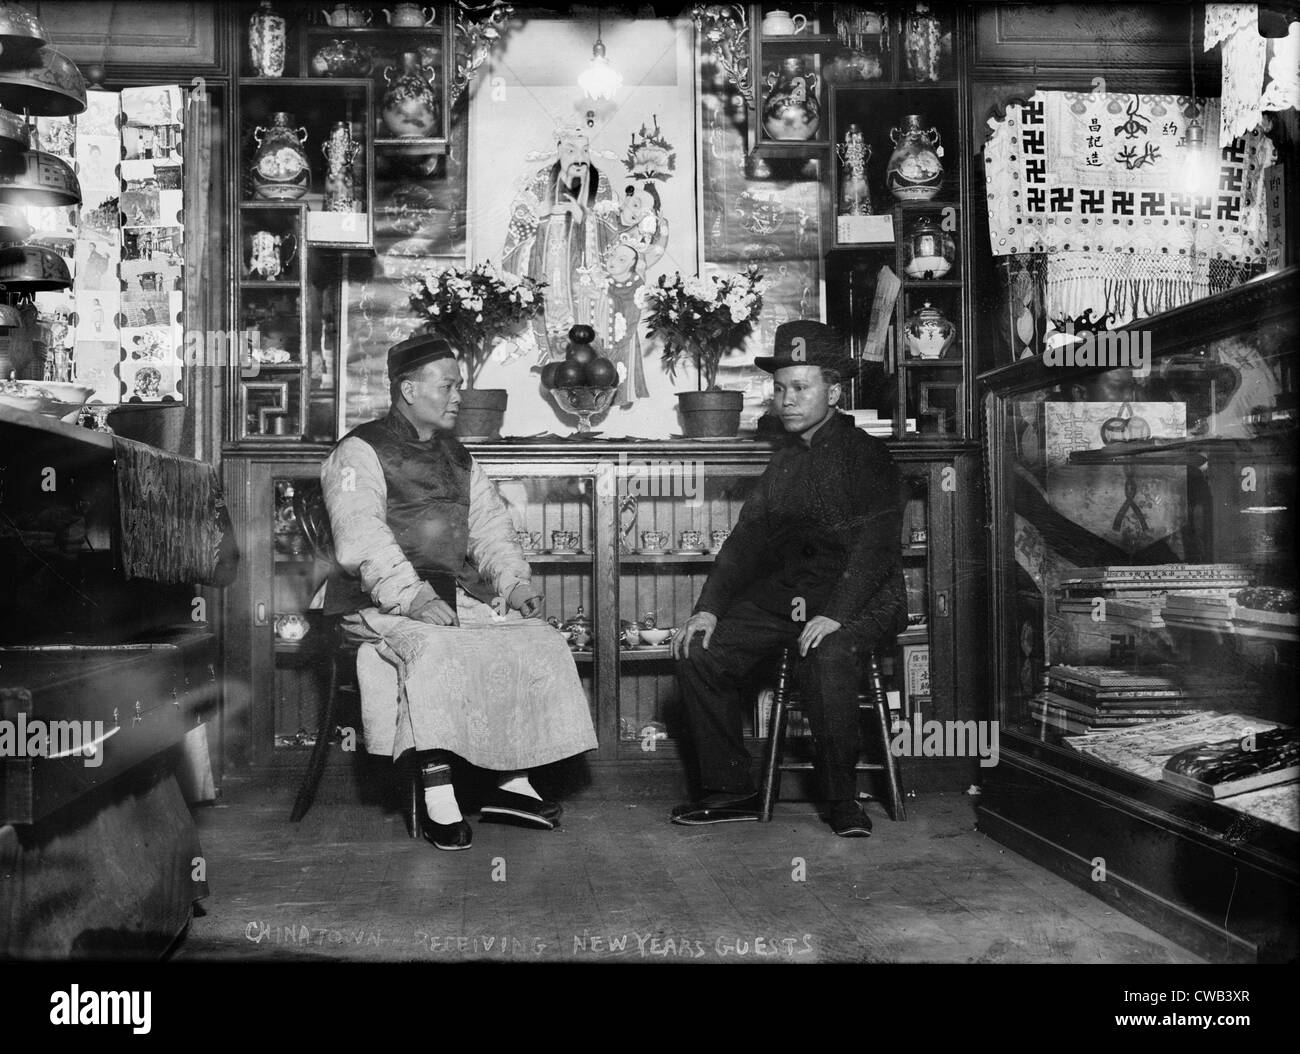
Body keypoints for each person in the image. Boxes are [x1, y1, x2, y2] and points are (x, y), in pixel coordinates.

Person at [320, 334, 598, 851]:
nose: (457, 397)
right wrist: (412, 596)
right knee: (439, 648)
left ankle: (511, 783)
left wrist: (513, 583)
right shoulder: (358, 450)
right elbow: (361, 537)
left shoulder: (457, 453)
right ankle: (438, 792)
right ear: (407, 388)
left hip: (449, 595)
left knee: (536, 639)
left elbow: (490, 527)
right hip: (376, 599)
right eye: (447, 386)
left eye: (457, 386)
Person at [670, 321, 907, 837]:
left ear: (835, 391)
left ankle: (844, 801)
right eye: (780, 389)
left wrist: (835, 614)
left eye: (801, 388)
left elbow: (876, 549)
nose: (787, 400)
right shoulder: (786, 460)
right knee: (699, 650)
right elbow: (746, 541)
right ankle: (732, 789)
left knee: (825, 654)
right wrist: (708, 607)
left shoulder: (866, 454)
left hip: (863, 598)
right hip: (795, 598)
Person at [501, 123, 617, 360]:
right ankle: (550, 356)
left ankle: (588, 357)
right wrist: (541, 213)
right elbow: (523, 215)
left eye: (585, 150)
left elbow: (610, 225)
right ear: (558, 151)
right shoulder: (544, 177)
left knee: (585, 313)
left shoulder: (599, 180)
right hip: (546, 256)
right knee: (548, 302)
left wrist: (582, 216)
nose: (579, 157)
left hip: (582, 262)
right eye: (572, 150)